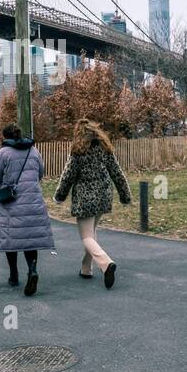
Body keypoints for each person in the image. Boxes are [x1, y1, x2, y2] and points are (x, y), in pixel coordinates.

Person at [0, 124, 55, 296]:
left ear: (6, 137)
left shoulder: (3, 153)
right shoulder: (34, 151)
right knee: (30, 238)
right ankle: (32, 269)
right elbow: (40, 173)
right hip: (32, 200)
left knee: (10, 237)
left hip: (10, 201)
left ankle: (13, 274)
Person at [54, 119, 130, 289]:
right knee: (91, 233)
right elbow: (117, 173)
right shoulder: (105, 149)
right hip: (103, 196)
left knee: (86, 237)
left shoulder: (78, 152)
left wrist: (59, 196)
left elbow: (68, 176)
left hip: (85, 199)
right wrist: (125, 196)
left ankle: (106, 262)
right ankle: (86, 268)